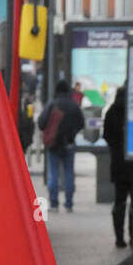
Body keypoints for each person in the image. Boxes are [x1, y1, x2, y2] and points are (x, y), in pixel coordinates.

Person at [37, 79, 84, 211]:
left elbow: (41, 123)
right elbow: (81, 124)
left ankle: (54, 203)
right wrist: (72, 132)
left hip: (53, 144)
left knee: (54, 173)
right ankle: (69, 204)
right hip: (69, 143)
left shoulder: (52, 104)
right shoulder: (74, 105)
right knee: (69, 173)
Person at [103, 84, 133, 248]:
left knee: (119, 201)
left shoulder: (111, 112)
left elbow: (106, 136)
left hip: (118, 164)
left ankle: (119, 238)